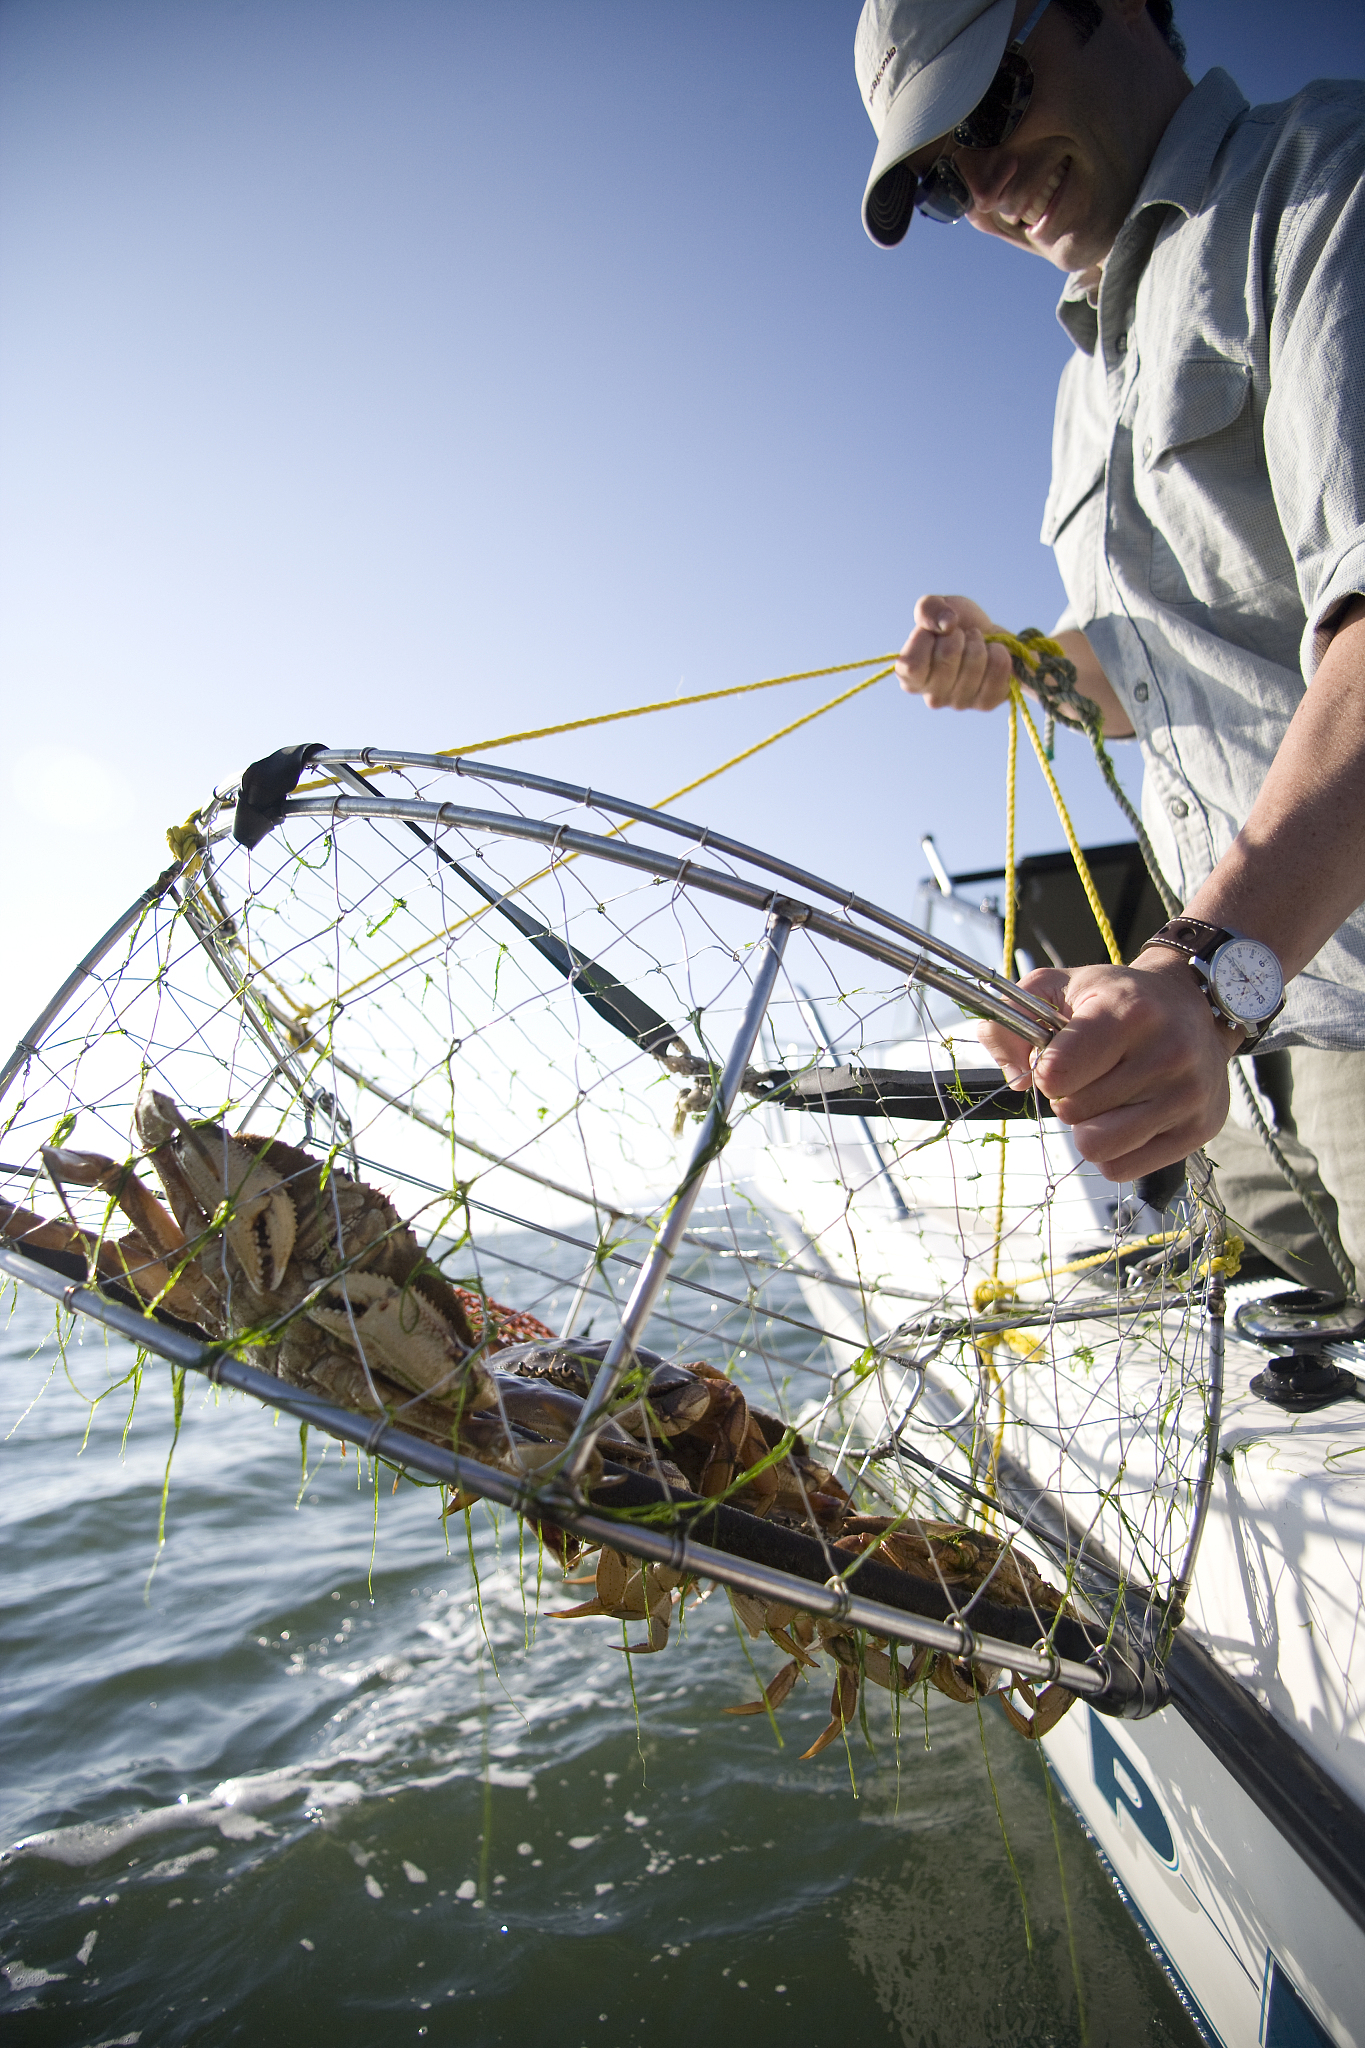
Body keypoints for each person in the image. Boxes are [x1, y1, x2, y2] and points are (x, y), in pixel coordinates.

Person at [853, 0, 1365, 1288]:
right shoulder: (1085, 390)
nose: (983, 184)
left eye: (991, 104)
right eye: (935, 177)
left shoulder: (1322, 192)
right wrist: (1018, 660)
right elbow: (1171, 667)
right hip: (1242, 1074)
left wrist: (1205, 970)